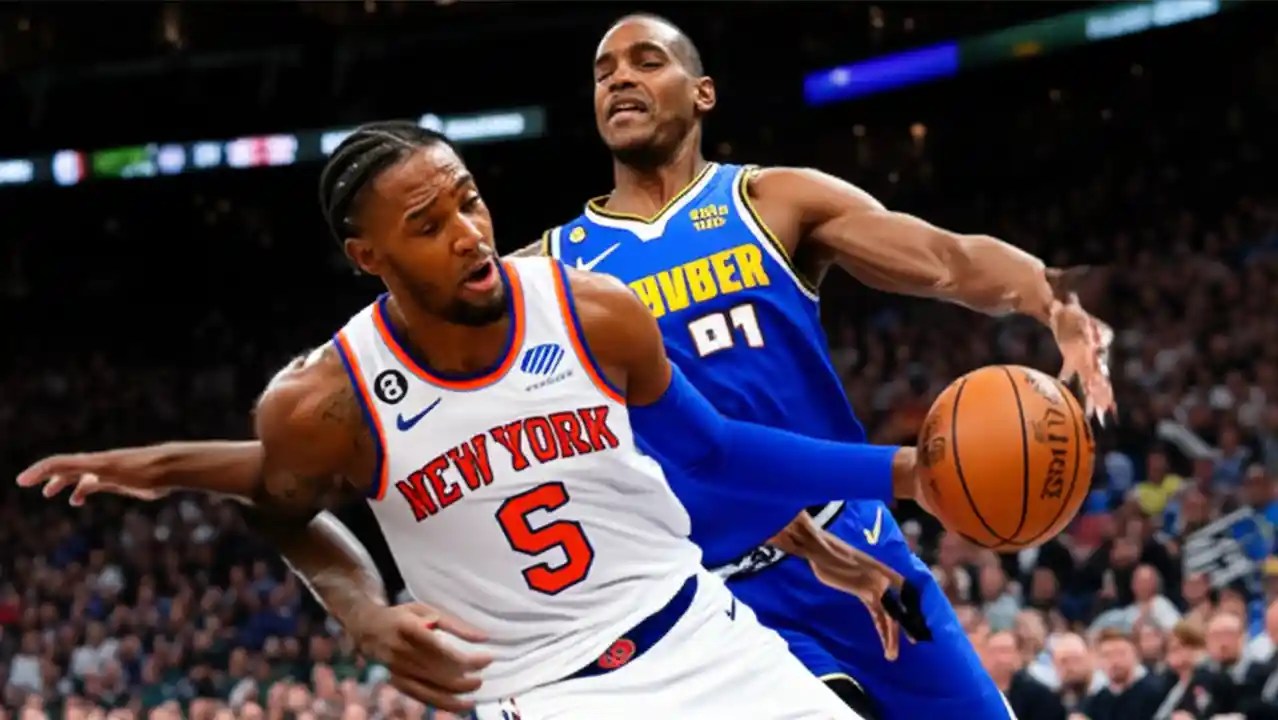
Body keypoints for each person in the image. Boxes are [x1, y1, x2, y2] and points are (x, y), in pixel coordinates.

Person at [19, 123, 951, 718]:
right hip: (547, 695)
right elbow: (277, 503)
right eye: (428, 223)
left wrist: (905, 473)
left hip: (707, 635)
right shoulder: (327, 402)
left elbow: (715, 448)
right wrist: (364, 615)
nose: (468, 231)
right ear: (367, 254)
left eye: (468, 198)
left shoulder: (594, 309)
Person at [536, 12, 1113, 719]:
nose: (620, 77)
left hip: (853, 539)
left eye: (647, 61)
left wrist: (1050, 297)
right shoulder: (555, 268)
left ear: (703, 93)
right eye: (604, 72)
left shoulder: (769, 202)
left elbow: (945, 260)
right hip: (716, 595)